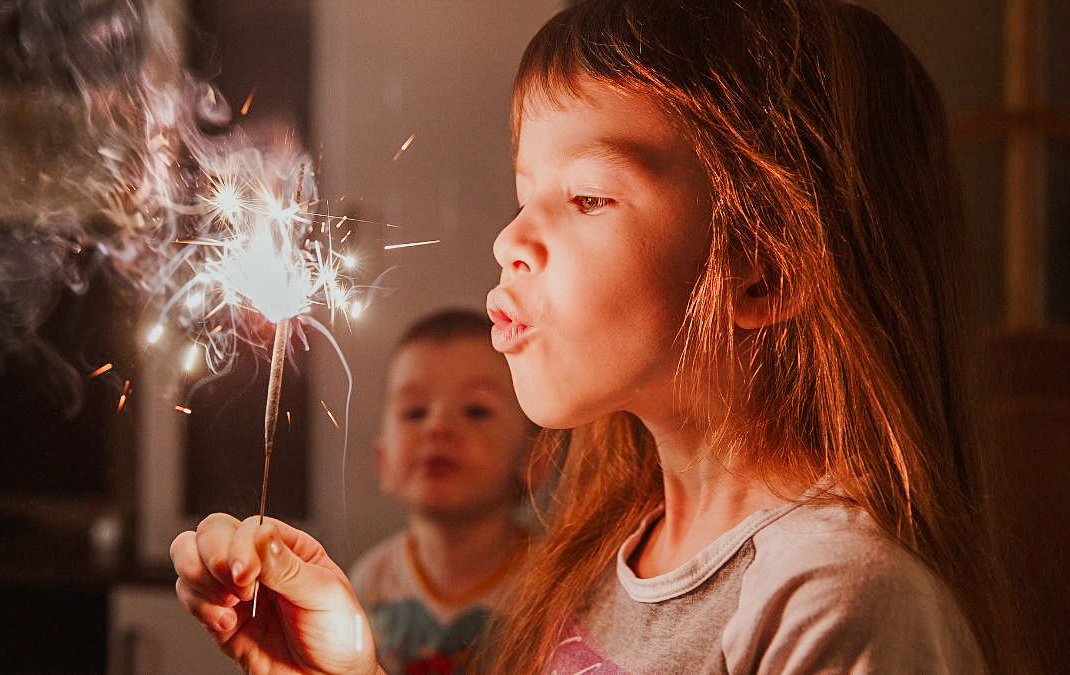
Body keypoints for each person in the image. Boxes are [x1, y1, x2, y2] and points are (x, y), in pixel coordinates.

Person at [168, 1, 1027, 672]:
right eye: (522, 192)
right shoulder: (599, 561)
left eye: (586, 198)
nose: (508, 241)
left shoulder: (835, 602)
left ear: (762, 273)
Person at [347, 309, 535, 673]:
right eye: (415, 412)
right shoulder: (371, 583)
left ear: (535, 459)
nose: (438, 427)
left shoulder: (554, 583)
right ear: (383, 461)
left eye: (476, 411)